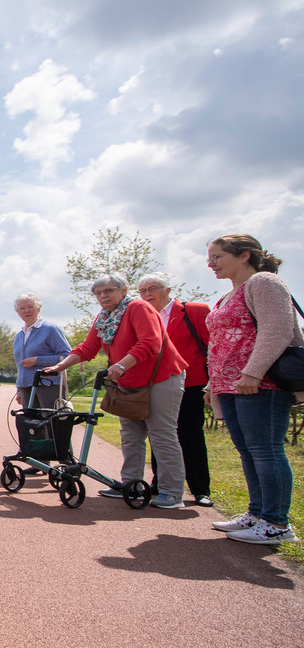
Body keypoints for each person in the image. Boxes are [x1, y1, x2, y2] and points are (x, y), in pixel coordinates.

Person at [44, 273, 189, 509]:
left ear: (123, 290)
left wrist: (121, 365)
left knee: (161, 434)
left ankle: (172, 492)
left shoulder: (138, 308)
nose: (103, 297)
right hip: (128, 381)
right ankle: (130, 484)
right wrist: (60, 367)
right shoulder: (104, 317)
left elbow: (151, 342)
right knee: (130, 435)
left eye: (108, 291)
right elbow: (88, 347)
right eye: (98, 293)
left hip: (160, 378)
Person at [203, 234, 303, 545]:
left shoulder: (264, 282)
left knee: (266, 449)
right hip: (231, 384)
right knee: (248, 451)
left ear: (244, 255)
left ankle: (276, 523)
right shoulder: (229, 294)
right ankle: (257, 513)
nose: (211, 264)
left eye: (218, 257)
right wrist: (212, 383)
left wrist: (253, 372)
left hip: (260, 383)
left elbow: (277, 329)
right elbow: (219, 343)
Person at [136, 273, 214, 506]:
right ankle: (159, 483)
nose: (148, 295)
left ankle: (200, 489)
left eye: (153, 289)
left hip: (190, 383)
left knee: (190, 435)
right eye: (142, 292)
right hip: (155, 384)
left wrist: (213, 383)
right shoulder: (141, 316)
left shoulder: (195, 311)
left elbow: (214, 346)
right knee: (159, 434)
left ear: (168, 289)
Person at [12, 293, 71, 409]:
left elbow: (67, 355)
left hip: (49, 384)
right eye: (22, 308)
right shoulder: (19, 335)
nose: (26, 311)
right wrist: (19, 389)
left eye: (30, 307)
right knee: (31, 423)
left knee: (50, 423)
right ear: (17, 312)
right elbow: (20, 366)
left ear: (38, 309)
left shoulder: (50, 329)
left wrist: (37, 360)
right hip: (26, 387)